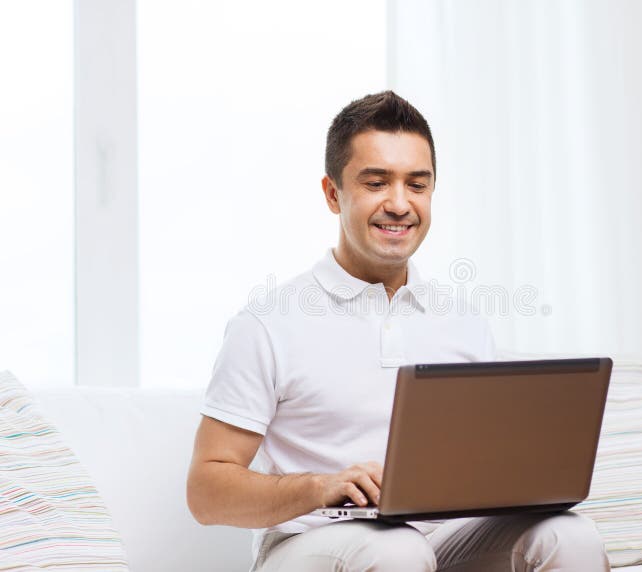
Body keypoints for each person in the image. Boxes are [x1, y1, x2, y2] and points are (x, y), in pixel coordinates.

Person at [186, 91, 610, 571]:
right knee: (396, 550)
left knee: (569, 536)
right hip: (313, 546)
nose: (399, 204)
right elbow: (206, 491)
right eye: (376, 182)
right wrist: (320, 487)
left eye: (417, 184)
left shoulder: (464, 321)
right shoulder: (267, 325)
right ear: (333, 194)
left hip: (436, 542)